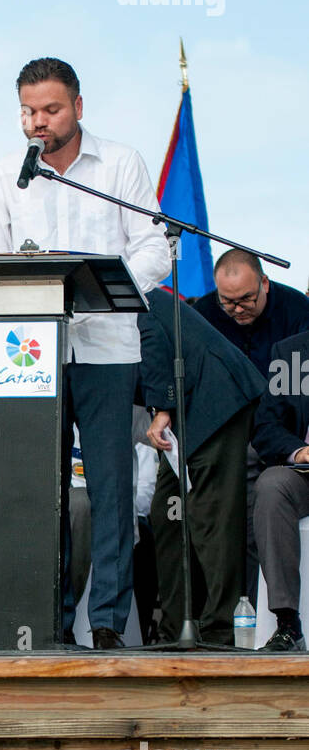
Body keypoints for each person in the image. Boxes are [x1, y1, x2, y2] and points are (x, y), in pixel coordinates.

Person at [0, 56, 171, 649]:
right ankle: (46, 620)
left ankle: (107, 622)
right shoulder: (7, 172)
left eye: (51, 109)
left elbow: (154, 249)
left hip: (108, 346)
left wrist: (96, 296)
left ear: (78, 107)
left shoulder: (119, 163)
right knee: (40, 487)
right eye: (29, 111)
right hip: (30, 354)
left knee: (110, 489)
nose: (39, 121)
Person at [140, 289, 265, 645]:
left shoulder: (135, 286)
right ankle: (176, 627)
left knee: (214, 517)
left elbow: (150, 339)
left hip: (213, 400)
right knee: (167, 516)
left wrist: (161, 408)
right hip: (186, 411)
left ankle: (221, 630)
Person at [250, 327, 309, 651]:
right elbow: (266, 427)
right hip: (306, 473)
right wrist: (300, 452)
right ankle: (288, 623)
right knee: (272, 485)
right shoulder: (291, 354)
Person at [194, 250, 309, 377]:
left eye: (246, 299)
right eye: (228, 301)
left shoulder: (300, 310)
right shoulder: (200, 315)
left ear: (264, 283)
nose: (238, 310)